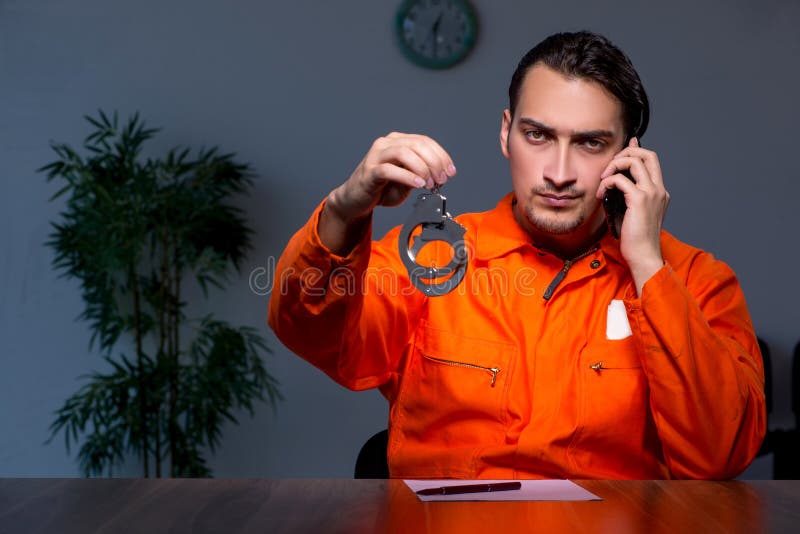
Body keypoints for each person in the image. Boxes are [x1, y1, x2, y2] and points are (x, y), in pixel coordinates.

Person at [268, 31, 765, 479]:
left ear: (629, 156)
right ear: (507, 132)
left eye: (590, 143)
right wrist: (343, 209)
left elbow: (720, 455)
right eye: (538, 135)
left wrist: (646, 265)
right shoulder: (431, 259)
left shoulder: (698, 280)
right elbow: (310, 331)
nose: (559, 172)